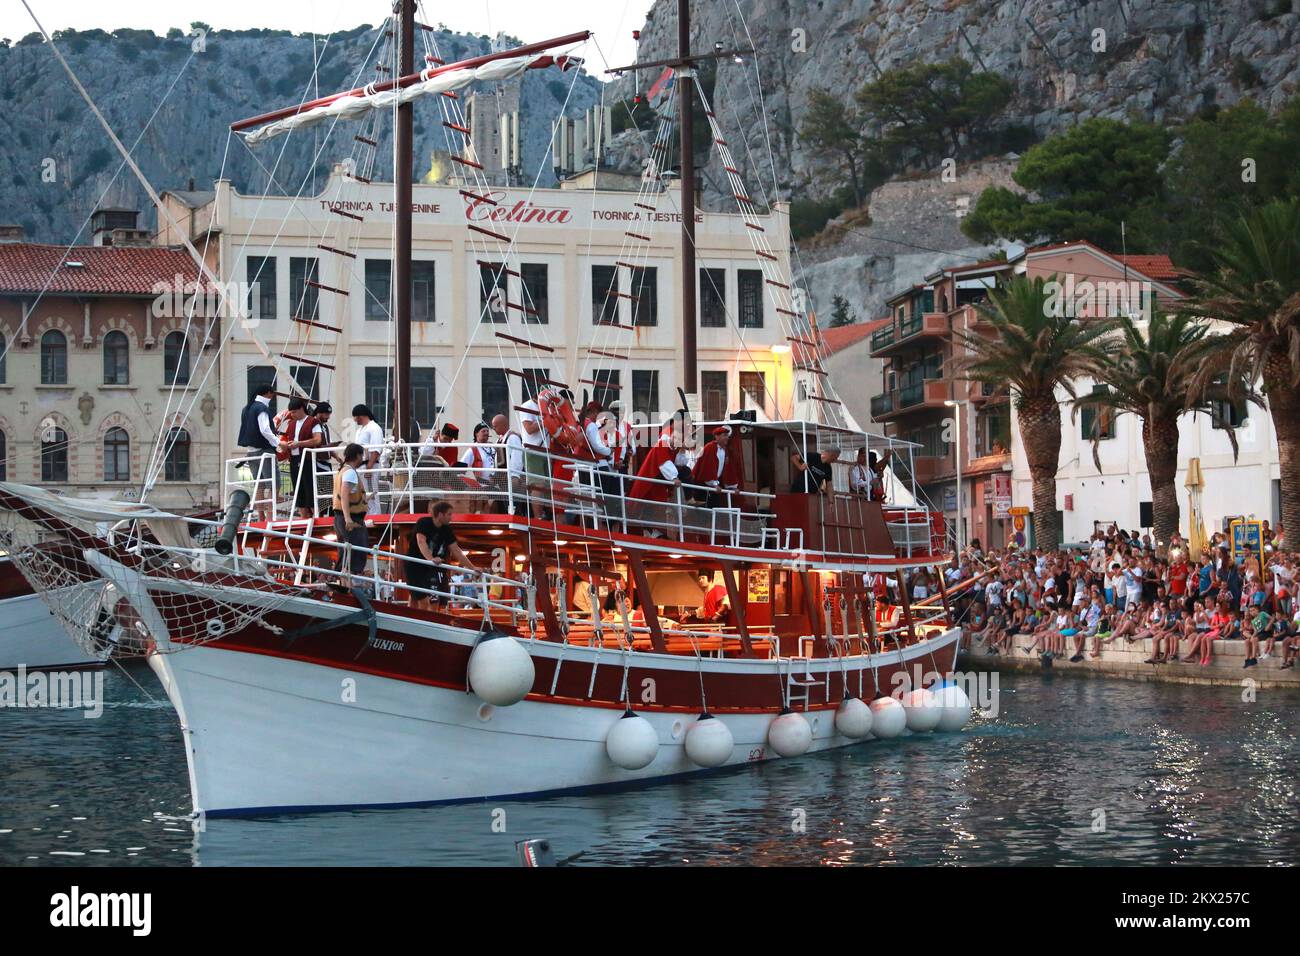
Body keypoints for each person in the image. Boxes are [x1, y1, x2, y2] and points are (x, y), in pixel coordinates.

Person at [406, 499, 479, 610]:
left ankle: (426, 620)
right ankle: (414, 620)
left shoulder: (447, 529)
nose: (451, 518)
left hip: (432, 570)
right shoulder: (423, 523)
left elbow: (456, 550)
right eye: (449, 514)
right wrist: (431, 559)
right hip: (415, 567)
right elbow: (421, 541)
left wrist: (473, 568)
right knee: (420, 601)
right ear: (440, 514)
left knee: (435, 601)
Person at [628, 420, 682, 537]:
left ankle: (653, 531)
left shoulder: (672, 449)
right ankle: (647, 531)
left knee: (656, 507)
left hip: (657, 482)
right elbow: (664, 463)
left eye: (679, 440)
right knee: (645, 505)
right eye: (676, 438)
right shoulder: (662, 444)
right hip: (650, 479)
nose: (677, 441)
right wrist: (674, 478)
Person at [237, 382, 280, 517]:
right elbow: (265, 429)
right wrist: (278, 442)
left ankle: (261, 515)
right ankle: (270, 516)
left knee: (259, 485)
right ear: (268, 393)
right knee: (274, 483)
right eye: (272, 395)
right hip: (264, 451)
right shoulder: (261, 408)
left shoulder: (246, 408)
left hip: (251, 452)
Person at [331, 442, 371, 582]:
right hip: (351, 518)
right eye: (362, 456)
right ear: (358, 456)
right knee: (357, 550)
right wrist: (348, 519)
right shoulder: (350, 473)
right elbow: (344, 495)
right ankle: (349, 583)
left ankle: (342, 582)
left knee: (346, 551)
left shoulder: (342, 471)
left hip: (341, 517)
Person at [282, 397, 324, 518]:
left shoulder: (313, 421)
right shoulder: (291, 424)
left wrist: (299, 444)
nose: (292, 415)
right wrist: (286, 446)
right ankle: (303, 516)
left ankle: (316, 515)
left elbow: (318, 440)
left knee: (310, 487)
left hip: (307, 459)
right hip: (294, 459)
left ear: (301, 409)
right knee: (298, 488)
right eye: (291, 412)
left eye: (294, 412)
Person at [693, 425, 743, 509]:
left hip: (714, 484)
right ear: (717, 437)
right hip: (703, 483)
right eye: (724, 435)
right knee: (707, 507)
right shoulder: (710, 447)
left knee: (715, 506)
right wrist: (714, 484)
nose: (727, 438)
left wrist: (732, 487)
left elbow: (728, 469)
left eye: (727, 436)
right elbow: (708, 468)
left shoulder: (725, 450)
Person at [352, 404, 385, 516]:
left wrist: (369, 468)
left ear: (360, 416)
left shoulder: (374, 428)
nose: (354, 419)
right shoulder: (360, 430)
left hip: (370, 466)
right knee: (363, 493)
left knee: (372, 493)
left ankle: (375, 515)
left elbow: (376, 450)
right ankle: (367, 514)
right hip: (361, 466)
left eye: (355, 417)